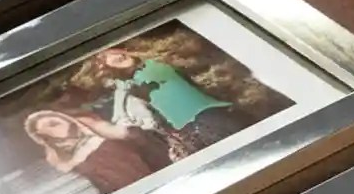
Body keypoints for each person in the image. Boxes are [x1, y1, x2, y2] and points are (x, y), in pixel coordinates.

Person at [74, 48, 250, 154]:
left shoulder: (151, 66)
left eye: (112, 52)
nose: (112, 55)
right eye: (102, 59)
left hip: (211, 116)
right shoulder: (127, 85)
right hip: (194, 126)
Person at [23, 110, 171, 194]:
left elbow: (129, 137)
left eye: (53, 122)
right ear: (44, 137)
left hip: (149, 169)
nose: (52, 127)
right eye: (46, 129)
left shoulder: (93, 128)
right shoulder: (61, 160)